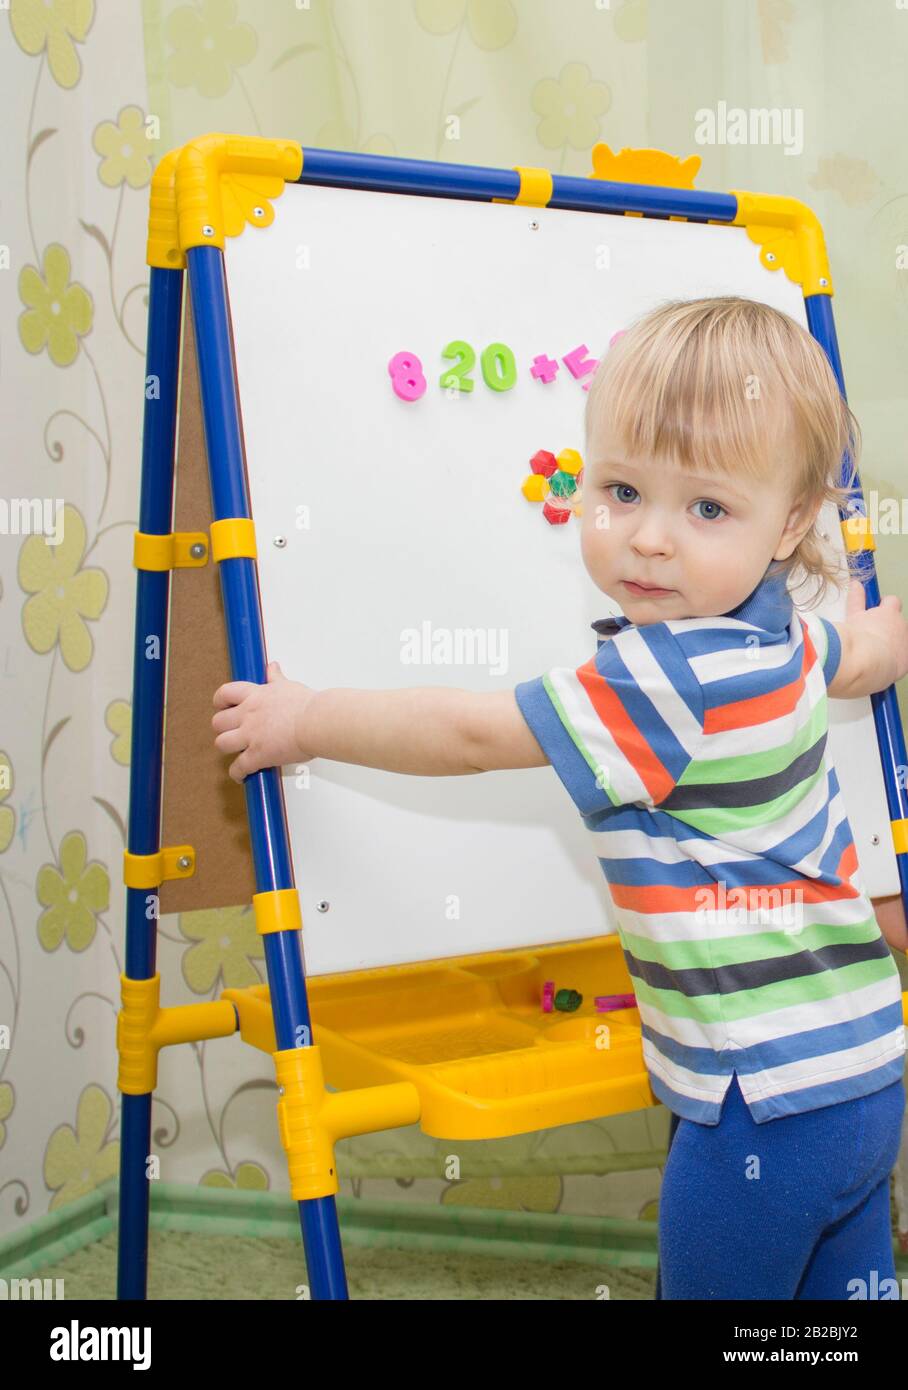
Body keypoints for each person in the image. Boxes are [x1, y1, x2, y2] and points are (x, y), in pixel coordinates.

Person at [211, 296, 908, 1300]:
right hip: (862, 1075)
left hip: (756, 1107)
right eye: (621, 489)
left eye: (705, 508)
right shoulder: (787, 643)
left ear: (789, 522)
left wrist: (305, 718)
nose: (648, 540)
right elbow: (868, 651)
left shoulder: (657, 682)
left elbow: (464, 733)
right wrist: (880, 634)